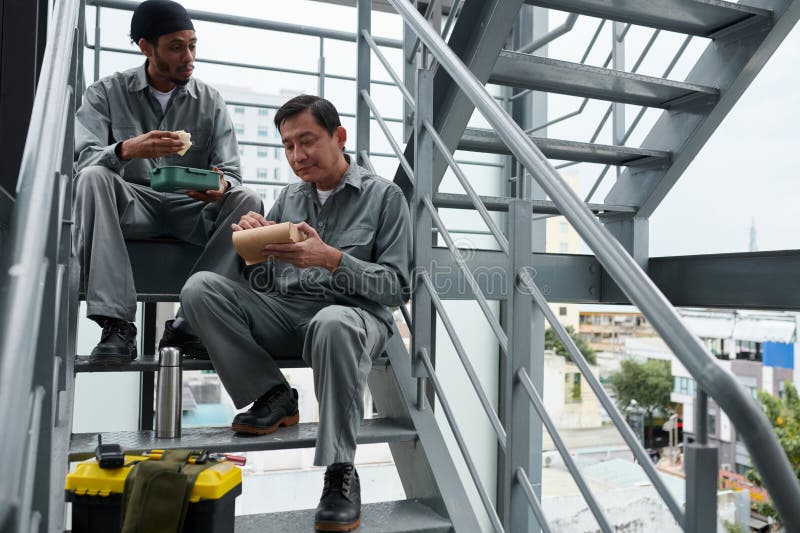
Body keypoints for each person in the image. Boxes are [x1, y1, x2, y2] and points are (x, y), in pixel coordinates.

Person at [180, 95, 412, 532]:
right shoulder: (288, 197)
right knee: (200, 289)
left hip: (352, 318)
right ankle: (273, 394)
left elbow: (396, 289)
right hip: (286, 314)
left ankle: (340, 471)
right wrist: (252, 246)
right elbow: (263, 282)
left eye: (307, 141)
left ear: (338, 137)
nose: (297, 156)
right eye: (288, 146)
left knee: (333, 322)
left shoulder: (385, 198)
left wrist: (333, 259)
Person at [73, 0, 262, 365]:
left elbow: (231, 173)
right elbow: (84, 159)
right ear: (146, 47)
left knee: (247, 198)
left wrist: (219, 186)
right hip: (131, 204)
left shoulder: (211, 101)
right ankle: (116, 325)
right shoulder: (105, 94)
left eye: (192, 44)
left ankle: (188, 323)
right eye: (176, 47)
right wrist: (127, 149)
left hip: (190, 208)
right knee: (93, 178)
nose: (188, 56)